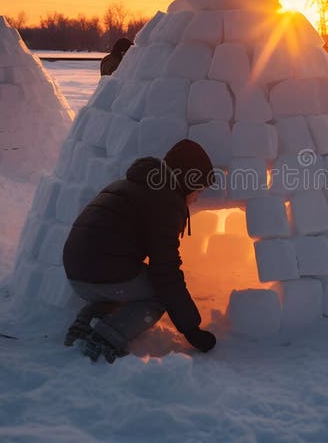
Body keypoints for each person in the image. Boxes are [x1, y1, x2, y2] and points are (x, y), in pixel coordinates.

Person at [62, 139, 217, 362]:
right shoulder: (166, 203)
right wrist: (191, 329)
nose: (198, 197)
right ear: (187, 182)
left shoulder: (131, 185)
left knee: (130, 283)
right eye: (199, 188)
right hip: (103, 275)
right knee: (159, 294)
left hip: (76, 274)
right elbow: (166, 274)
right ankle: (106, 338)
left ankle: (91, 317)